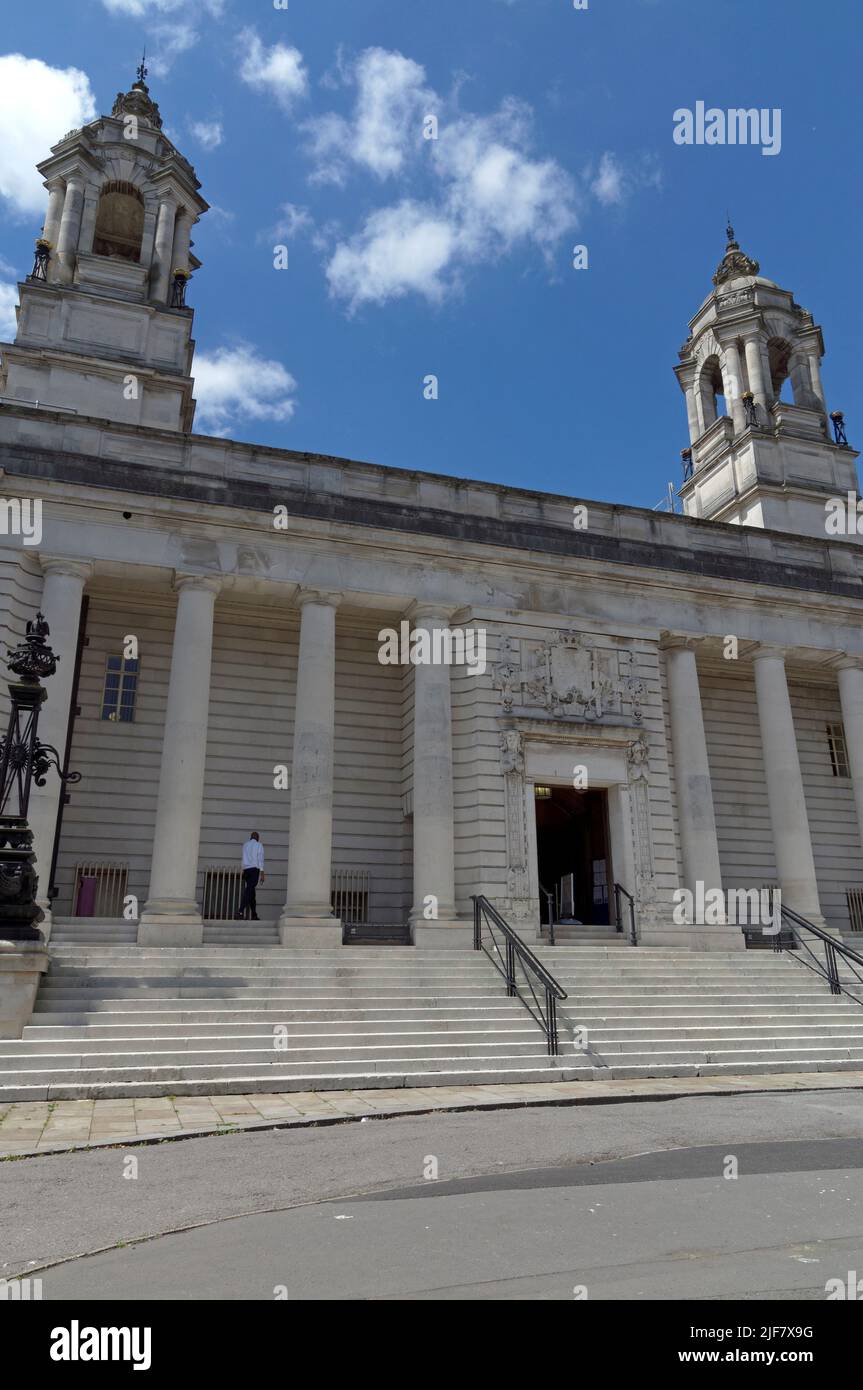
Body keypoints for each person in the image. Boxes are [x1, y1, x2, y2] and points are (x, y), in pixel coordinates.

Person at [239, 831, 265, 920]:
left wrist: (242, 870)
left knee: (252, 893)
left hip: (246, 870)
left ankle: (254, 914)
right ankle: (240, 911)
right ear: (257, 838)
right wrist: (262, 873)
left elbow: (242, 858)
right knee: (249, 890)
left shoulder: (245, 845)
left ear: (251, 837)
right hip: (254, 870)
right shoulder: (259, 845)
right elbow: (260, 858)